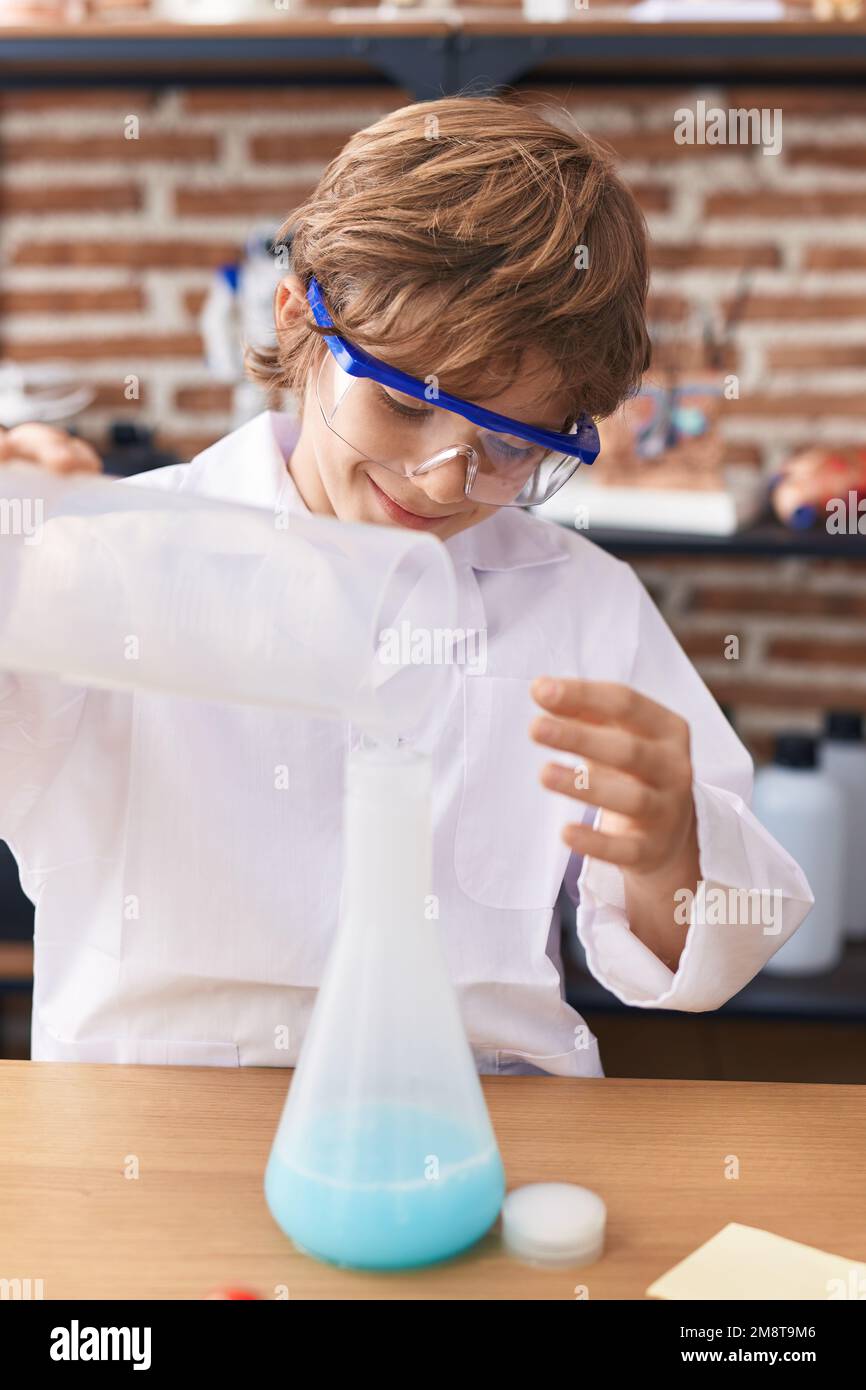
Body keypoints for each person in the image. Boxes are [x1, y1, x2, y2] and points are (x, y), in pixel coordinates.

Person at [0, 97, 811, 1075]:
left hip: (476, 1119)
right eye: (399, 403)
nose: (442, 478)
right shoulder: (113, 562)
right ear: (299, 316)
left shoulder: (578, 603)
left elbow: (705, 948)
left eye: (510, 444)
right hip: (161, 1124)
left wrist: (668, 851)